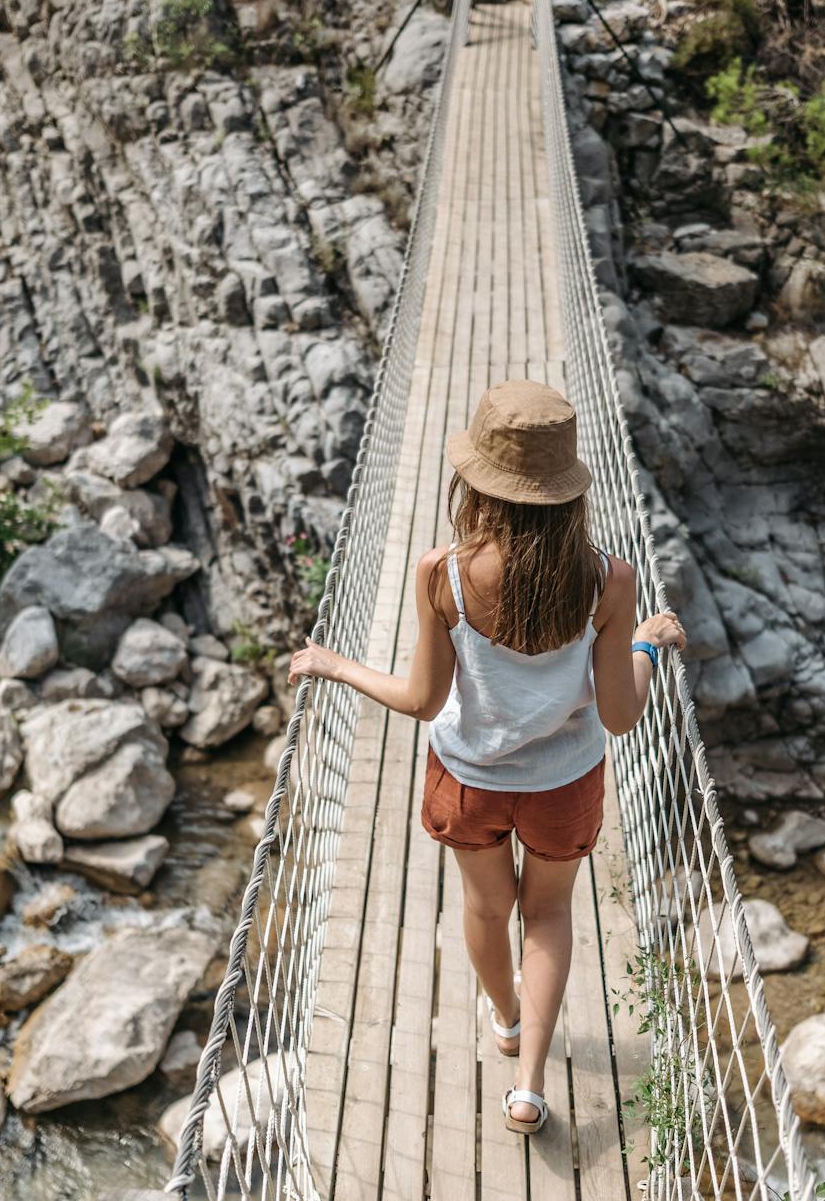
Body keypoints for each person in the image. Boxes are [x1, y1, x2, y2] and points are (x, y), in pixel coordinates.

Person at [289, 379, 684, 1135]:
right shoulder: (609, 579)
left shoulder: (442, 572)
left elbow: (423, 701)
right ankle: (530, 1084)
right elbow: (618, 715)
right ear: (569, 491)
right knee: (549, 912)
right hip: (564, 784)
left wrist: (335, 665)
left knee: (484, 906)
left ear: (475, 485)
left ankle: (503, 1019)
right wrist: (644, 646)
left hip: (467, 779)